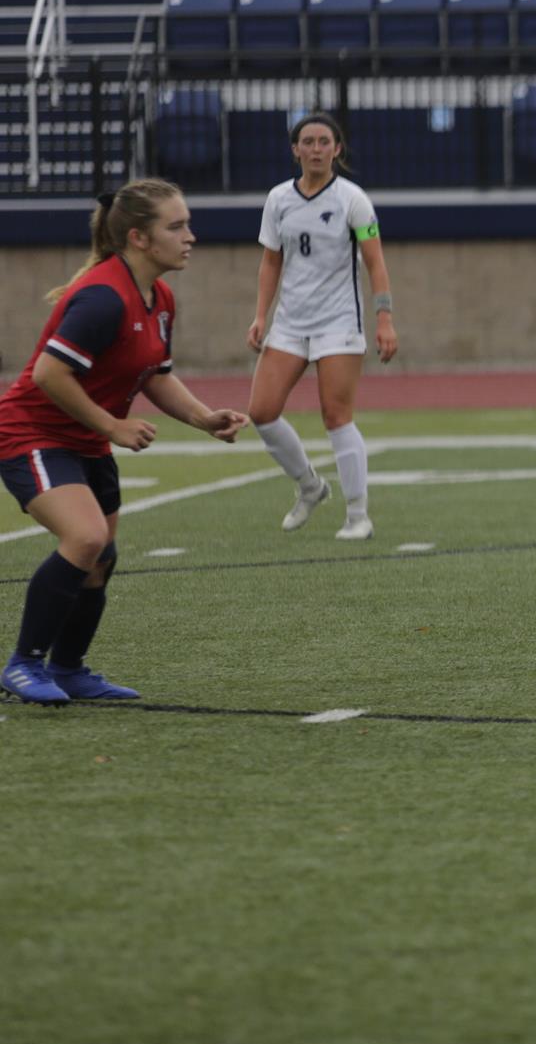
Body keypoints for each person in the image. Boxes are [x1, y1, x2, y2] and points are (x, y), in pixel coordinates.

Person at [0, 181, 250, 706]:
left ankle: (68, 670)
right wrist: (112, 426)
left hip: (85, 439)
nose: (191, 237)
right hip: (31, 433)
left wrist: (204, 418)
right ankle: (23, 664)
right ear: (138, 237)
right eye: (176, 226)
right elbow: (49, 373)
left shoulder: (159, 297)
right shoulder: (101, 297)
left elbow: (155, 375)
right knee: (86, 537)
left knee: (100, 558)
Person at [246, 112, 398, 542]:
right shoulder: (278, 199)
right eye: (307, 142)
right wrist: (261, 315)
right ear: (295, 150)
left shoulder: (353, 199)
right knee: (261, 411)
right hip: (291, 323)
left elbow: (375, 262)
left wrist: (384, 317)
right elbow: (271, 261)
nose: (315, 149)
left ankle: (357, 514)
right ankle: (310, 485)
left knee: (336, 415)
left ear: (337, 149)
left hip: (339, 324)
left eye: (323, 142)